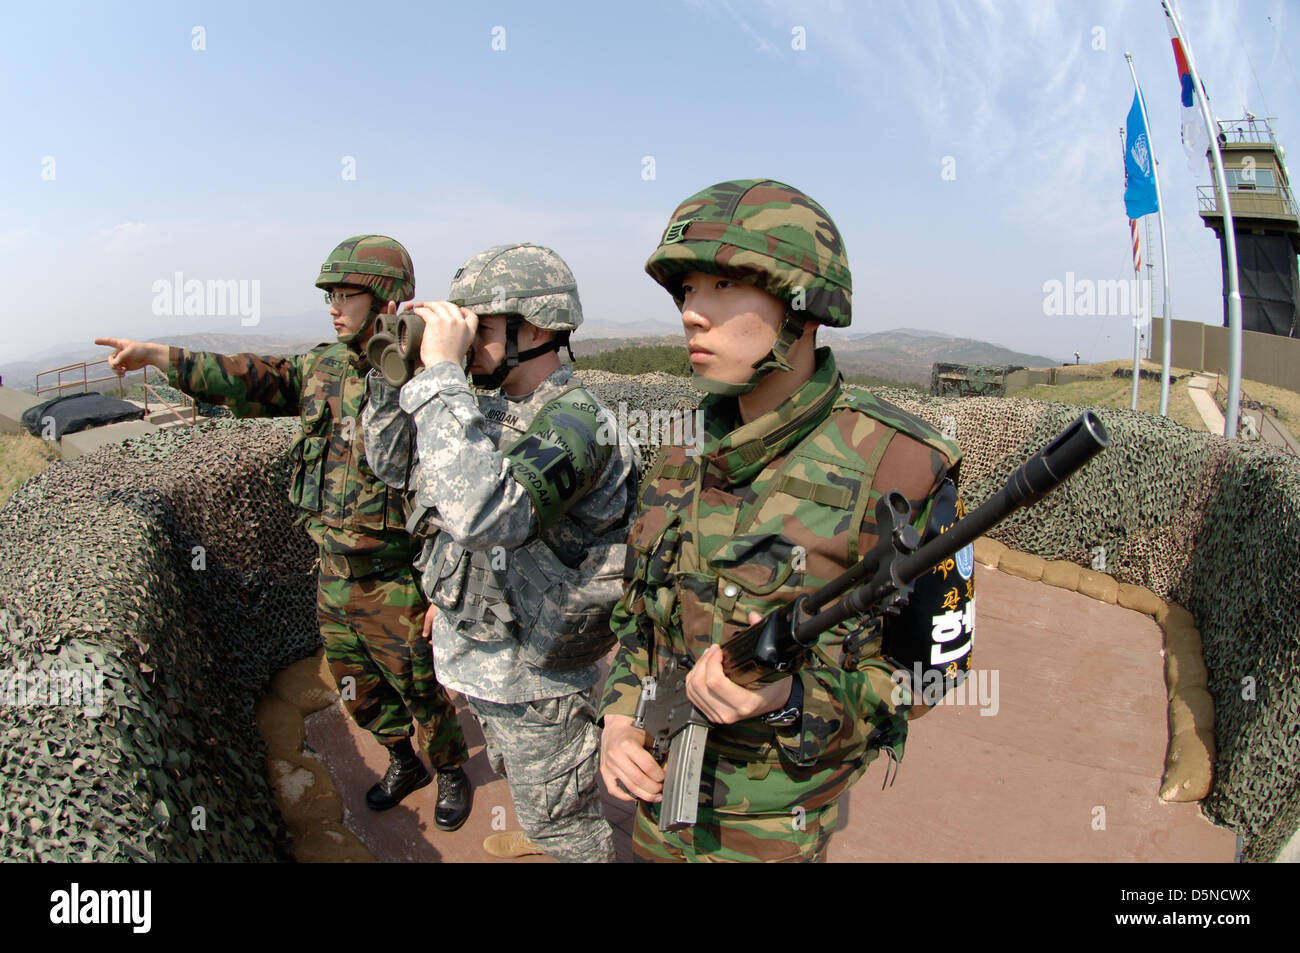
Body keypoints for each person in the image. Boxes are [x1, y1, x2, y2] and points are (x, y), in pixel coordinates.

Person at [597, 179, 975, 862]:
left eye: (721, 285)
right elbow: (638, 625)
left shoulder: (900, 467)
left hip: (776, 833)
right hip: (657, 805)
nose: (691, 312)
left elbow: (926, 678)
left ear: (803, 306)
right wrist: (620, 719)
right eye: (687, 290)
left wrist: (792, 695)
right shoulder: (681, 453)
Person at [94, 235, 473, 830]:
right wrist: (158, 355)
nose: (333, 306)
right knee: (356, 685)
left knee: (420, 684)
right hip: (333, 574)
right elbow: (245, 376)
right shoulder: (320, 367)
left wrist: (445, 591)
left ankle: (450, 768)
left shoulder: (431, 377)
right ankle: (404, 760)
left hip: (398, 574)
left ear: (385, 299)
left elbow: (463, 484)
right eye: (330, 295)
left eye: (346, 294)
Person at [362, 242, 639, 863]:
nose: (461, 343)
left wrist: (439, 380)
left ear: (535, 327)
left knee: (566, 823)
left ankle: (559, 839)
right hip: (481, 647)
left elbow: (484, 513)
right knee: (522, 775)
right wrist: (396, 374)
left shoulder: (578, 424)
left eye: (477, 328)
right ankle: (538, 822)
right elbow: (389, 462)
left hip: (535, 676)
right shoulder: (489, 406)